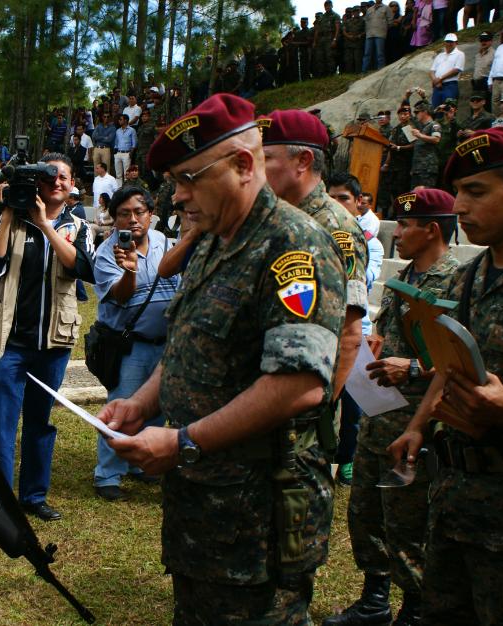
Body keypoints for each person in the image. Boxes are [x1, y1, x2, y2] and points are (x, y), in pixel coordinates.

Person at [98, 93, 346, 624]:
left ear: (242, 164)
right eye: (174, 183)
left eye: (189, 178)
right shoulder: (211, 239)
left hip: (258, 513)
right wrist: (141, 403)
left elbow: (299, 382)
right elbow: (189, 341)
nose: (178, 197)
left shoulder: (294, 247)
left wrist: (184, 440)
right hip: (204, 502)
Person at [389, 125, 503, 625]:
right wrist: (418, 424)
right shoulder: (469, 276)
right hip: (455, 498)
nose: (458, 207)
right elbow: (450, 362)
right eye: (457, 192)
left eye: (475, 192)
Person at [325, 189, 460, 626]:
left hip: (422, 421)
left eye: (405, 225)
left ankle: (416, 610)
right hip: (381, 413)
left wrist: (416, 369)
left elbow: (465, 360)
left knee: (408, 524)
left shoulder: (457, 281)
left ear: (432, 229)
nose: (396, 232)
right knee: (365, 513)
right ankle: (375, 600)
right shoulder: (409, 274)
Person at [0, 152, 95, 521]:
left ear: (73, 184)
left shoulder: (79, 226)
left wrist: (45, 225)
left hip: (53, 345)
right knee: (1, 423)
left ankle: (33, 495)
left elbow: (82, 268)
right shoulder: (9, 219)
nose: (58, 181)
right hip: (10, 342)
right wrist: (10, 211)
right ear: (38, 182)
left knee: (40, 422)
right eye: (50, 175)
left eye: (65, 176)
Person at [261, 109, 370, 487]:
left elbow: (350, 335)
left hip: (303, 413)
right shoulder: (278, 218)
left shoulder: (336, 228)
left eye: (267, 159)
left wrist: (320, 412)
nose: (259, 170)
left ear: (303, 162)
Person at [91, 186, 179, 501]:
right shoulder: (105, 252)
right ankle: (108, 474)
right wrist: (129, 271)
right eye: (123, 214)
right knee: (122, 406)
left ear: (151, 214)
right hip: (130, 345)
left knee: (156, 406)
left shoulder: (165, 243)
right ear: (113, 219)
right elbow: (121, 296)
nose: (132, 219)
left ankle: (142, 465)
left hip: (165, 343)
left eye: (138, 212)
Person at [384, 105, 416, 218]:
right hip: (394, 164)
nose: (403, 116)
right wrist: (386, 163)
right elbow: (390, 146)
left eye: (406, 114)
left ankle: (404, 212)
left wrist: (399, 148)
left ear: (409, 115)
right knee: (393, 189)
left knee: (403, 190)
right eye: (401, 114)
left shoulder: (409, 128)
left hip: (405, 164)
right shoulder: (396, 129)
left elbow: (413, 145)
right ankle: (396, 211)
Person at [409, 100, 442, 189]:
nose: (416, 115)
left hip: (428, 168)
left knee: (426, 195)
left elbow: (436, 139)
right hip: (417, 168)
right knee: (414, 196)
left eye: (417, 112)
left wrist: (419, 135)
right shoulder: (421, 127)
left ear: (425, 112)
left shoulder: (434, 125)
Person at [430, 34, 466, 108]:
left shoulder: (460, 54)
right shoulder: (440, 55)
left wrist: (440, 79)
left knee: (449, 110)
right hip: (437, 86)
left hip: (450, 85)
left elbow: (456, 70)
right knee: (436, 110)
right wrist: (435, 81)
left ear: (456, 43)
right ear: (444, 43)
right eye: (447, 41)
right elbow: (432, 71)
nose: (449, 44)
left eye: (451, 42)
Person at [364, 0, 393, 71]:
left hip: (380, 34)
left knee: (380, 54)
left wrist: (383, 28)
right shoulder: (369, 9)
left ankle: (381, 70)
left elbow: (390, 21)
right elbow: (366, 21)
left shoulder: (386, 8)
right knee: (367, 53)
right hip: (369, 34)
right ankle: (364, 71)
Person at [473, 32, 496, 111]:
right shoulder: (478, 54)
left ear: (491, 41)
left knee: (486, 107)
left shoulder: (494, 54)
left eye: (486, 40)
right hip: (476, 83)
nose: (483, 42)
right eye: (482, 40)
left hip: (486, 83)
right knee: (475, 108)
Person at [113, 113, 137, 181]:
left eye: (121, 119)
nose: (119, 121)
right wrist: (115, 153)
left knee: (127, 174)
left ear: (126, 120)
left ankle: (126, 190)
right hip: (118, 153)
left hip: (127, 153)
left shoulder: (132, 130)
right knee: (118, 174)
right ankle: (119, 190)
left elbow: (134, 143)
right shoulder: (118, 131)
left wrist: (131, 153)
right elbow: (116, 142)